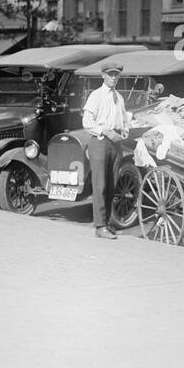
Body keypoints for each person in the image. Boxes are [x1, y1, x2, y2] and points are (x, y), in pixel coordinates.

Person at [82, 58, 130, 239]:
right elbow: (87, 122)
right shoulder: (96, 96)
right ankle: (99, 226)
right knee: (100, 184)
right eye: (111, 75)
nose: (114, 78)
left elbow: (125, 120)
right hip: (100, 142)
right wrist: (106, 131)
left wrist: (124, 131)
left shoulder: (120, 98)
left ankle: (108, 222)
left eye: (116, 75)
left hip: (115, 144)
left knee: (112, 184)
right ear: (103, 76)